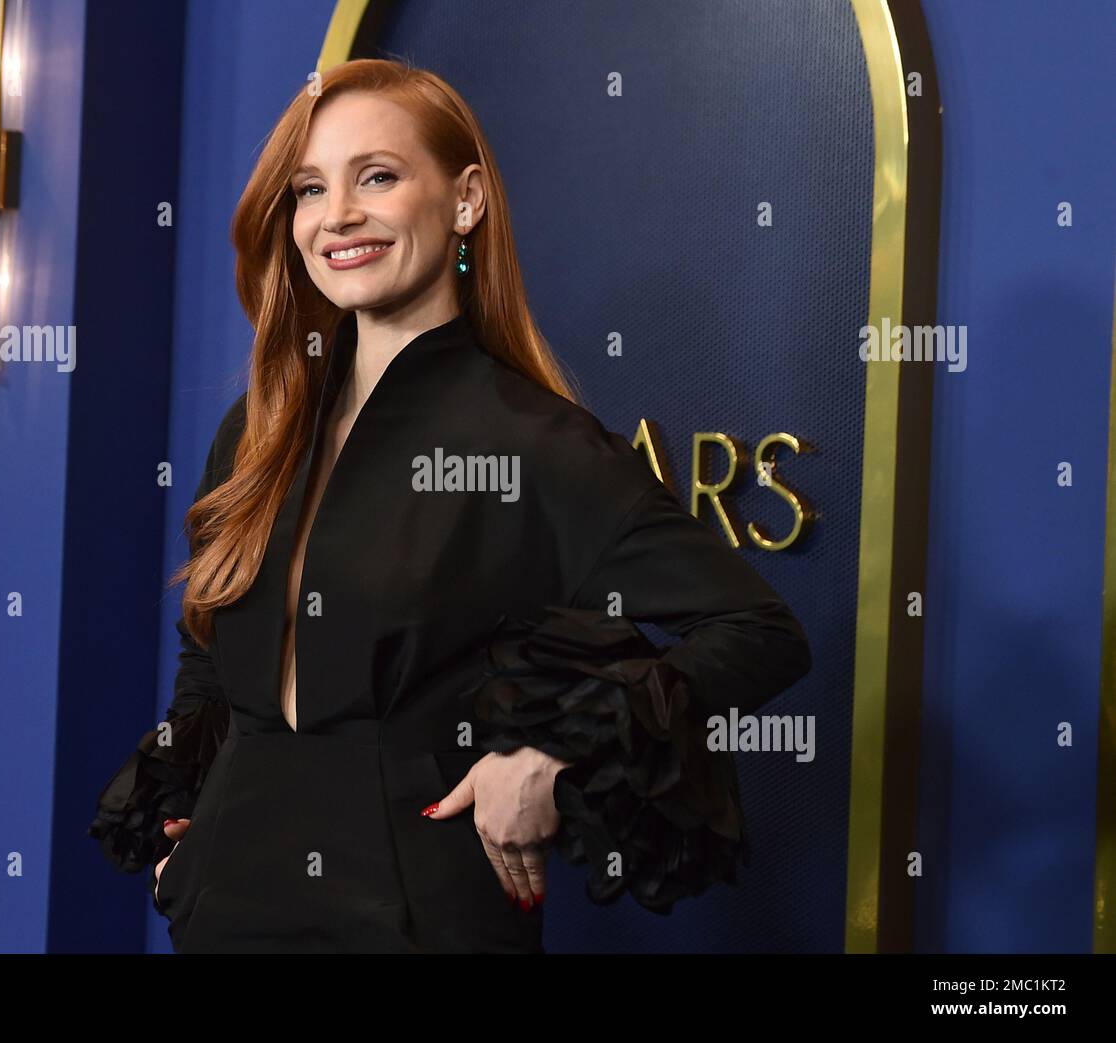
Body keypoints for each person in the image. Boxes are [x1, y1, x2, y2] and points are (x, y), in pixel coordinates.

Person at [89, 58, 812, 954]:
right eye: (310, 189)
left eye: (377, 177)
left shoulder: (532, 438)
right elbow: (209, 647)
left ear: (465, 200)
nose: (337, 215)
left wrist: (555, 757)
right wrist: (190, 845)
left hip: (416, 914)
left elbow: (758, 630)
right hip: (229, 910)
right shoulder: (260, 422)